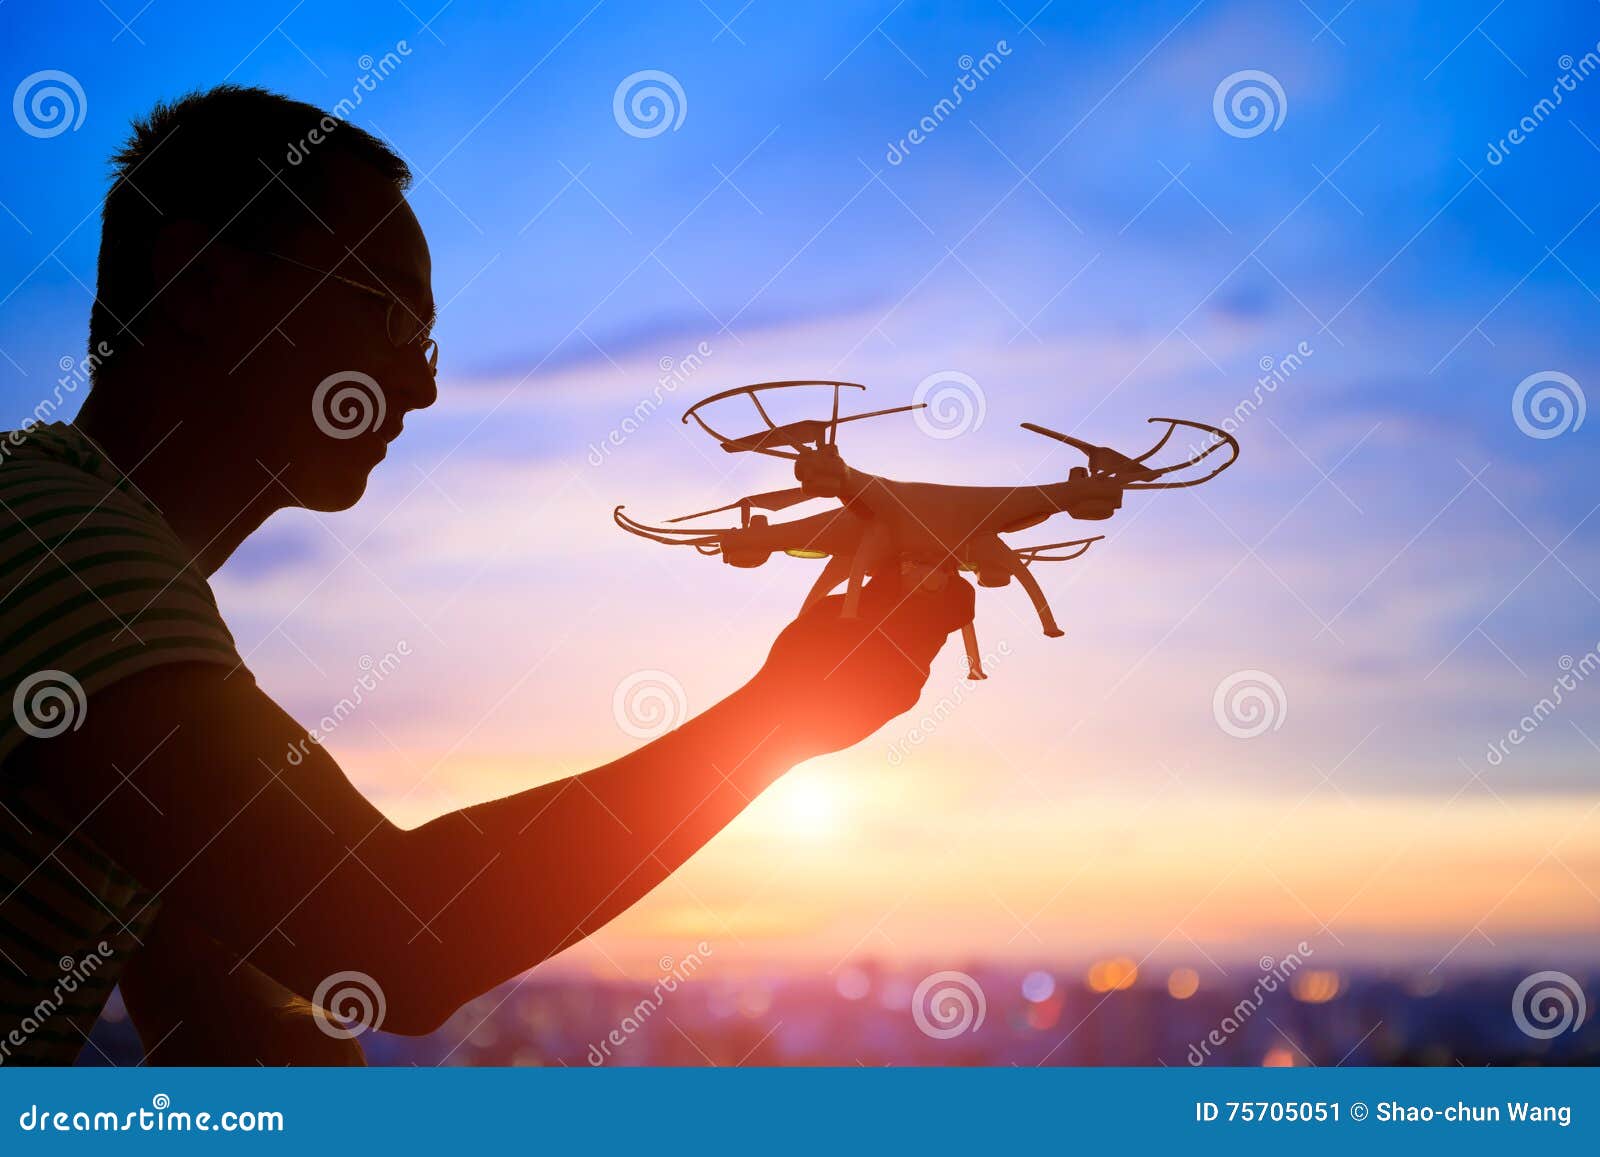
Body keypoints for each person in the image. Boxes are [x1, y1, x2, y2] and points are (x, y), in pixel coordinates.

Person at [0, 86, 980, 1065]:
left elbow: (236, 1024)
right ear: (204, 286)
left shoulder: (92, 568)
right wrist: (788, 711)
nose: (423, 385)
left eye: (426, 343)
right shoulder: (66, 552)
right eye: (384, 312)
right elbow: (396, 939)